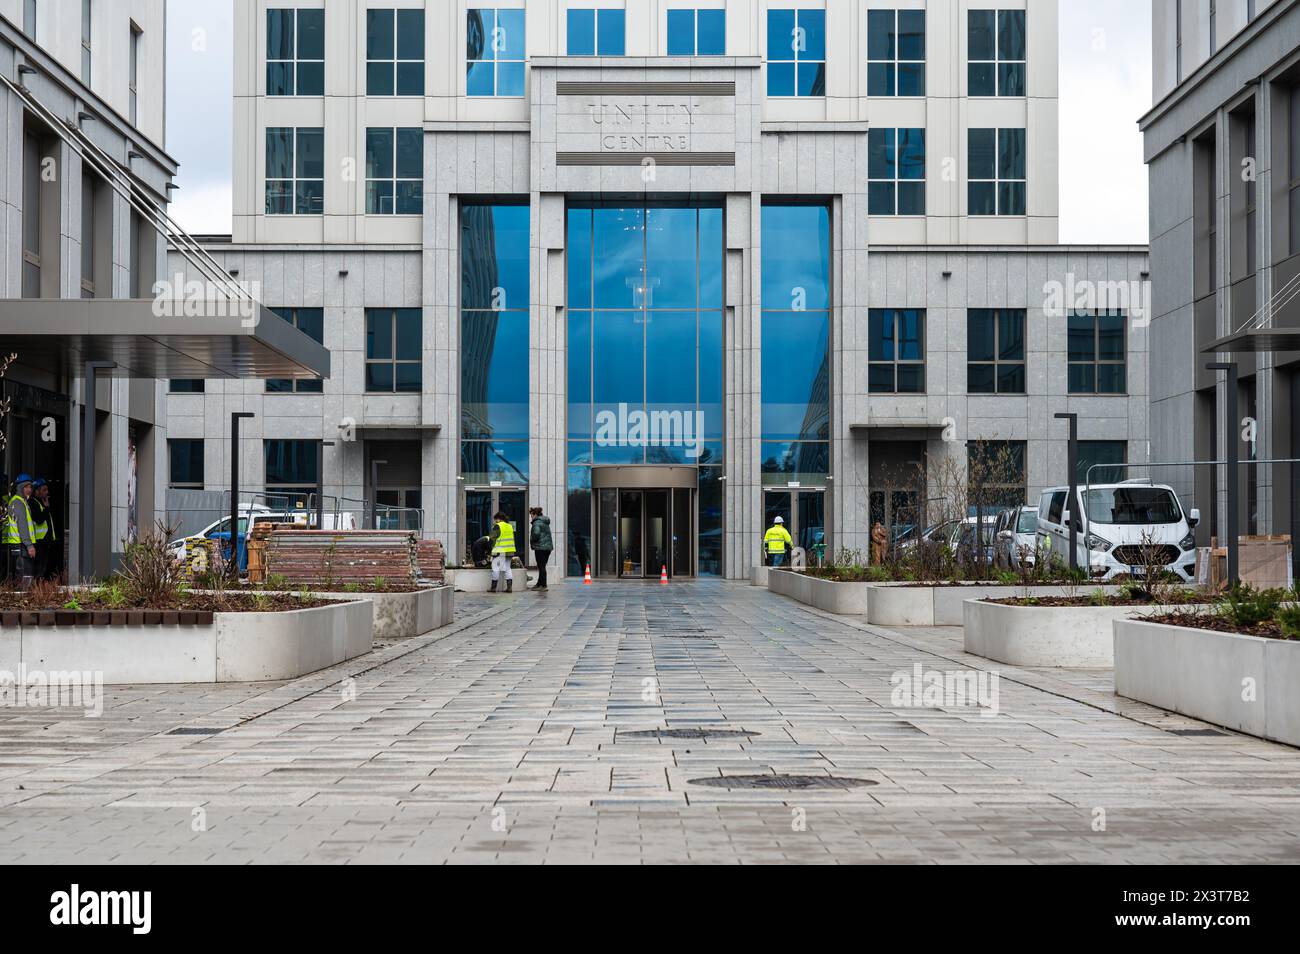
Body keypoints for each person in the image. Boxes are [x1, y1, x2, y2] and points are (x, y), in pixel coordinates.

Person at [3, 474, 37, 586]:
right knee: (24, 575)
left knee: (23, 575)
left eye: (31, 487)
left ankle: (22, 596)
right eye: (26, 487)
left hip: (19, 544)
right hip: (21, 545)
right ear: (20, 488)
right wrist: (29, 545)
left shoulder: (21, 501)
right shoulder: (18, 502)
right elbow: (22, 525)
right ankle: (22, 598)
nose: (30, 490)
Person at [28, 478, 53, 580]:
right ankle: (36, 590)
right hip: (38, 542)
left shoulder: (42, 502)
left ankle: (40, 590)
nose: (47, 493)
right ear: (36, 491)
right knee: (38, 569)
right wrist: (46, 508)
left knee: (43, 569)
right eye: (44, 490)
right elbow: (39, 519)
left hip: (44, 541)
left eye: (47, 490)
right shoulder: (33, 503)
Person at [488, 511, 516, 593]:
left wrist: (490, 547)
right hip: (510, 550)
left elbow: (492, 538)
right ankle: (509, 588)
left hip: (499, 550)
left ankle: (493, 588)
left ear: (499, 519)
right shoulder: (510, 526)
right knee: (508, 568)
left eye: (495, 519)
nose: (495, 521)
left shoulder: (498, 526)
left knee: (495, 568)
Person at [529, 506, 553, 590]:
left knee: (541, 567)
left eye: (531, 515)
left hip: (540, 548)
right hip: (547, 548)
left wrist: (531, 538)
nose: (531, 516)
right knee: (542, 566)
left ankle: (543, 585)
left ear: (535, 514)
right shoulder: (545, 522)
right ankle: (539, 584)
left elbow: (536, 534)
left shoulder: (536, 523)